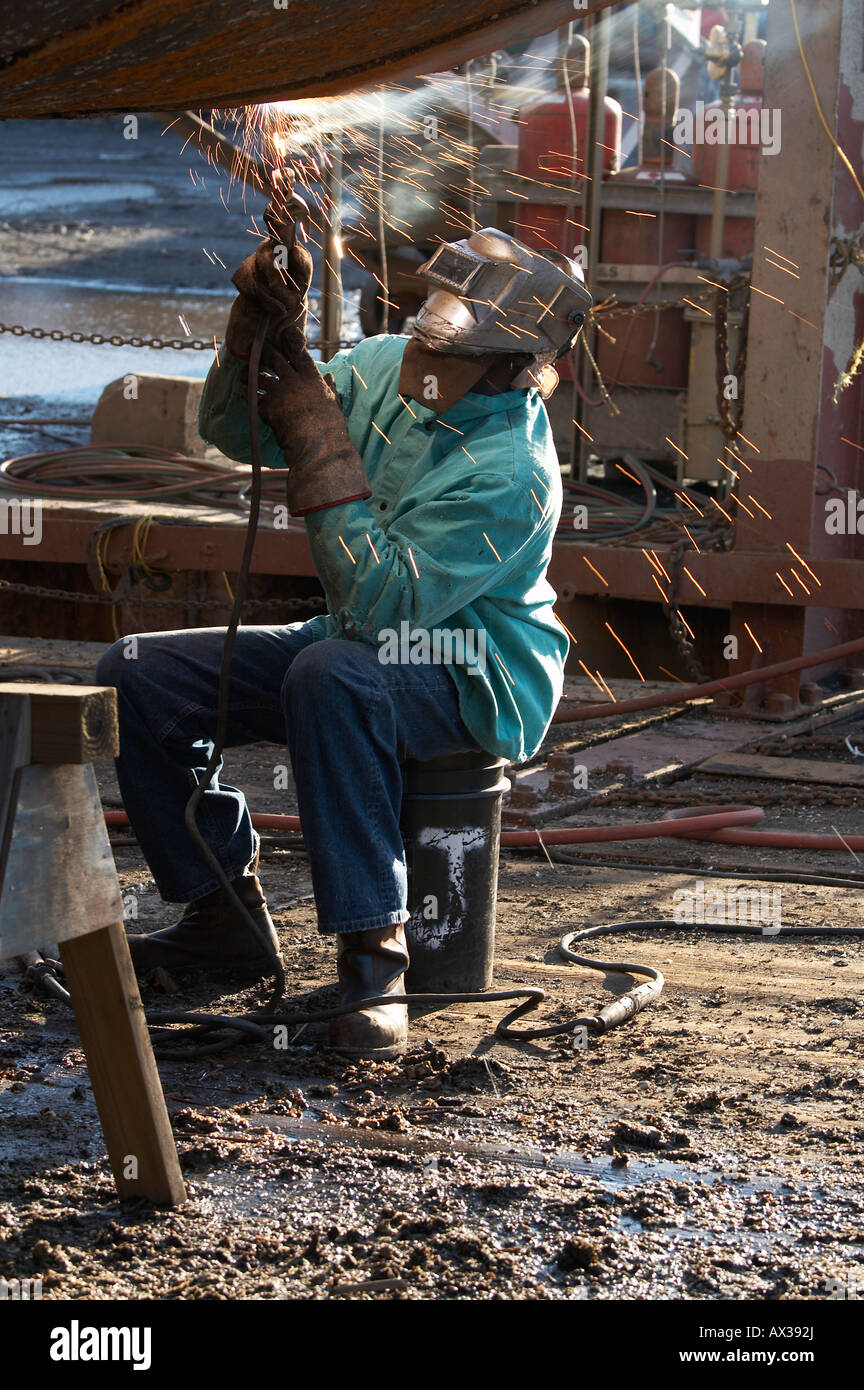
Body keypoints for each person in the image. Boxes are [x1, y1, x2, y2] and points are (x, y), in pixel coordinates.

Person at [96, 182, 591, 1058]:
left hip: (473, 669)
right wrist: (255, 336)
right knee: (137, 672)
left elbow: (381, 603)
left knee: (331, 676)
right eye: (430, 326)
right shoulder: (383, 366)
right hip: (360, 644)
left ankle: (376, 965)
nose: (420, 357)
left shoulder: (511, 472)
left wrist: (322, 445)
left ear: (514, 366)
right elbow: (239, 435)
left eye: (451, 347)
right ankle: (222, 914)